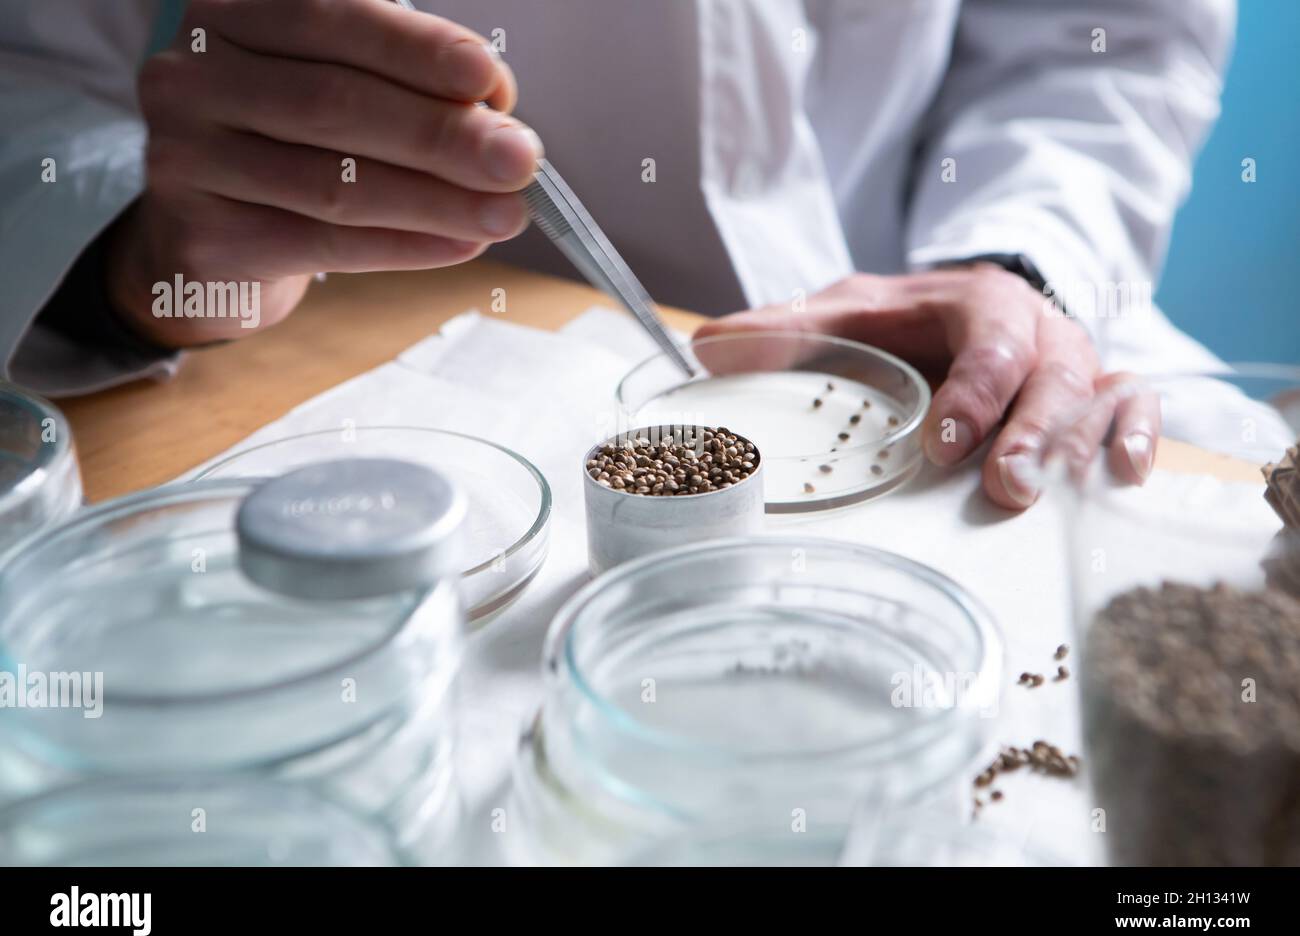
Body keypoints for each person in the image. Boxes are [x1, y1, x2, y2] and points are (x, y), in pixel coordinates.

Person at [0, 0, 1235, 509]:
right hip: (365, 332)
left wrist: (1019, 261)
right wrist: (136, 256)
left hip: (925, 298)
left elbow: (1105, 33)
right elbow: (29, 67)